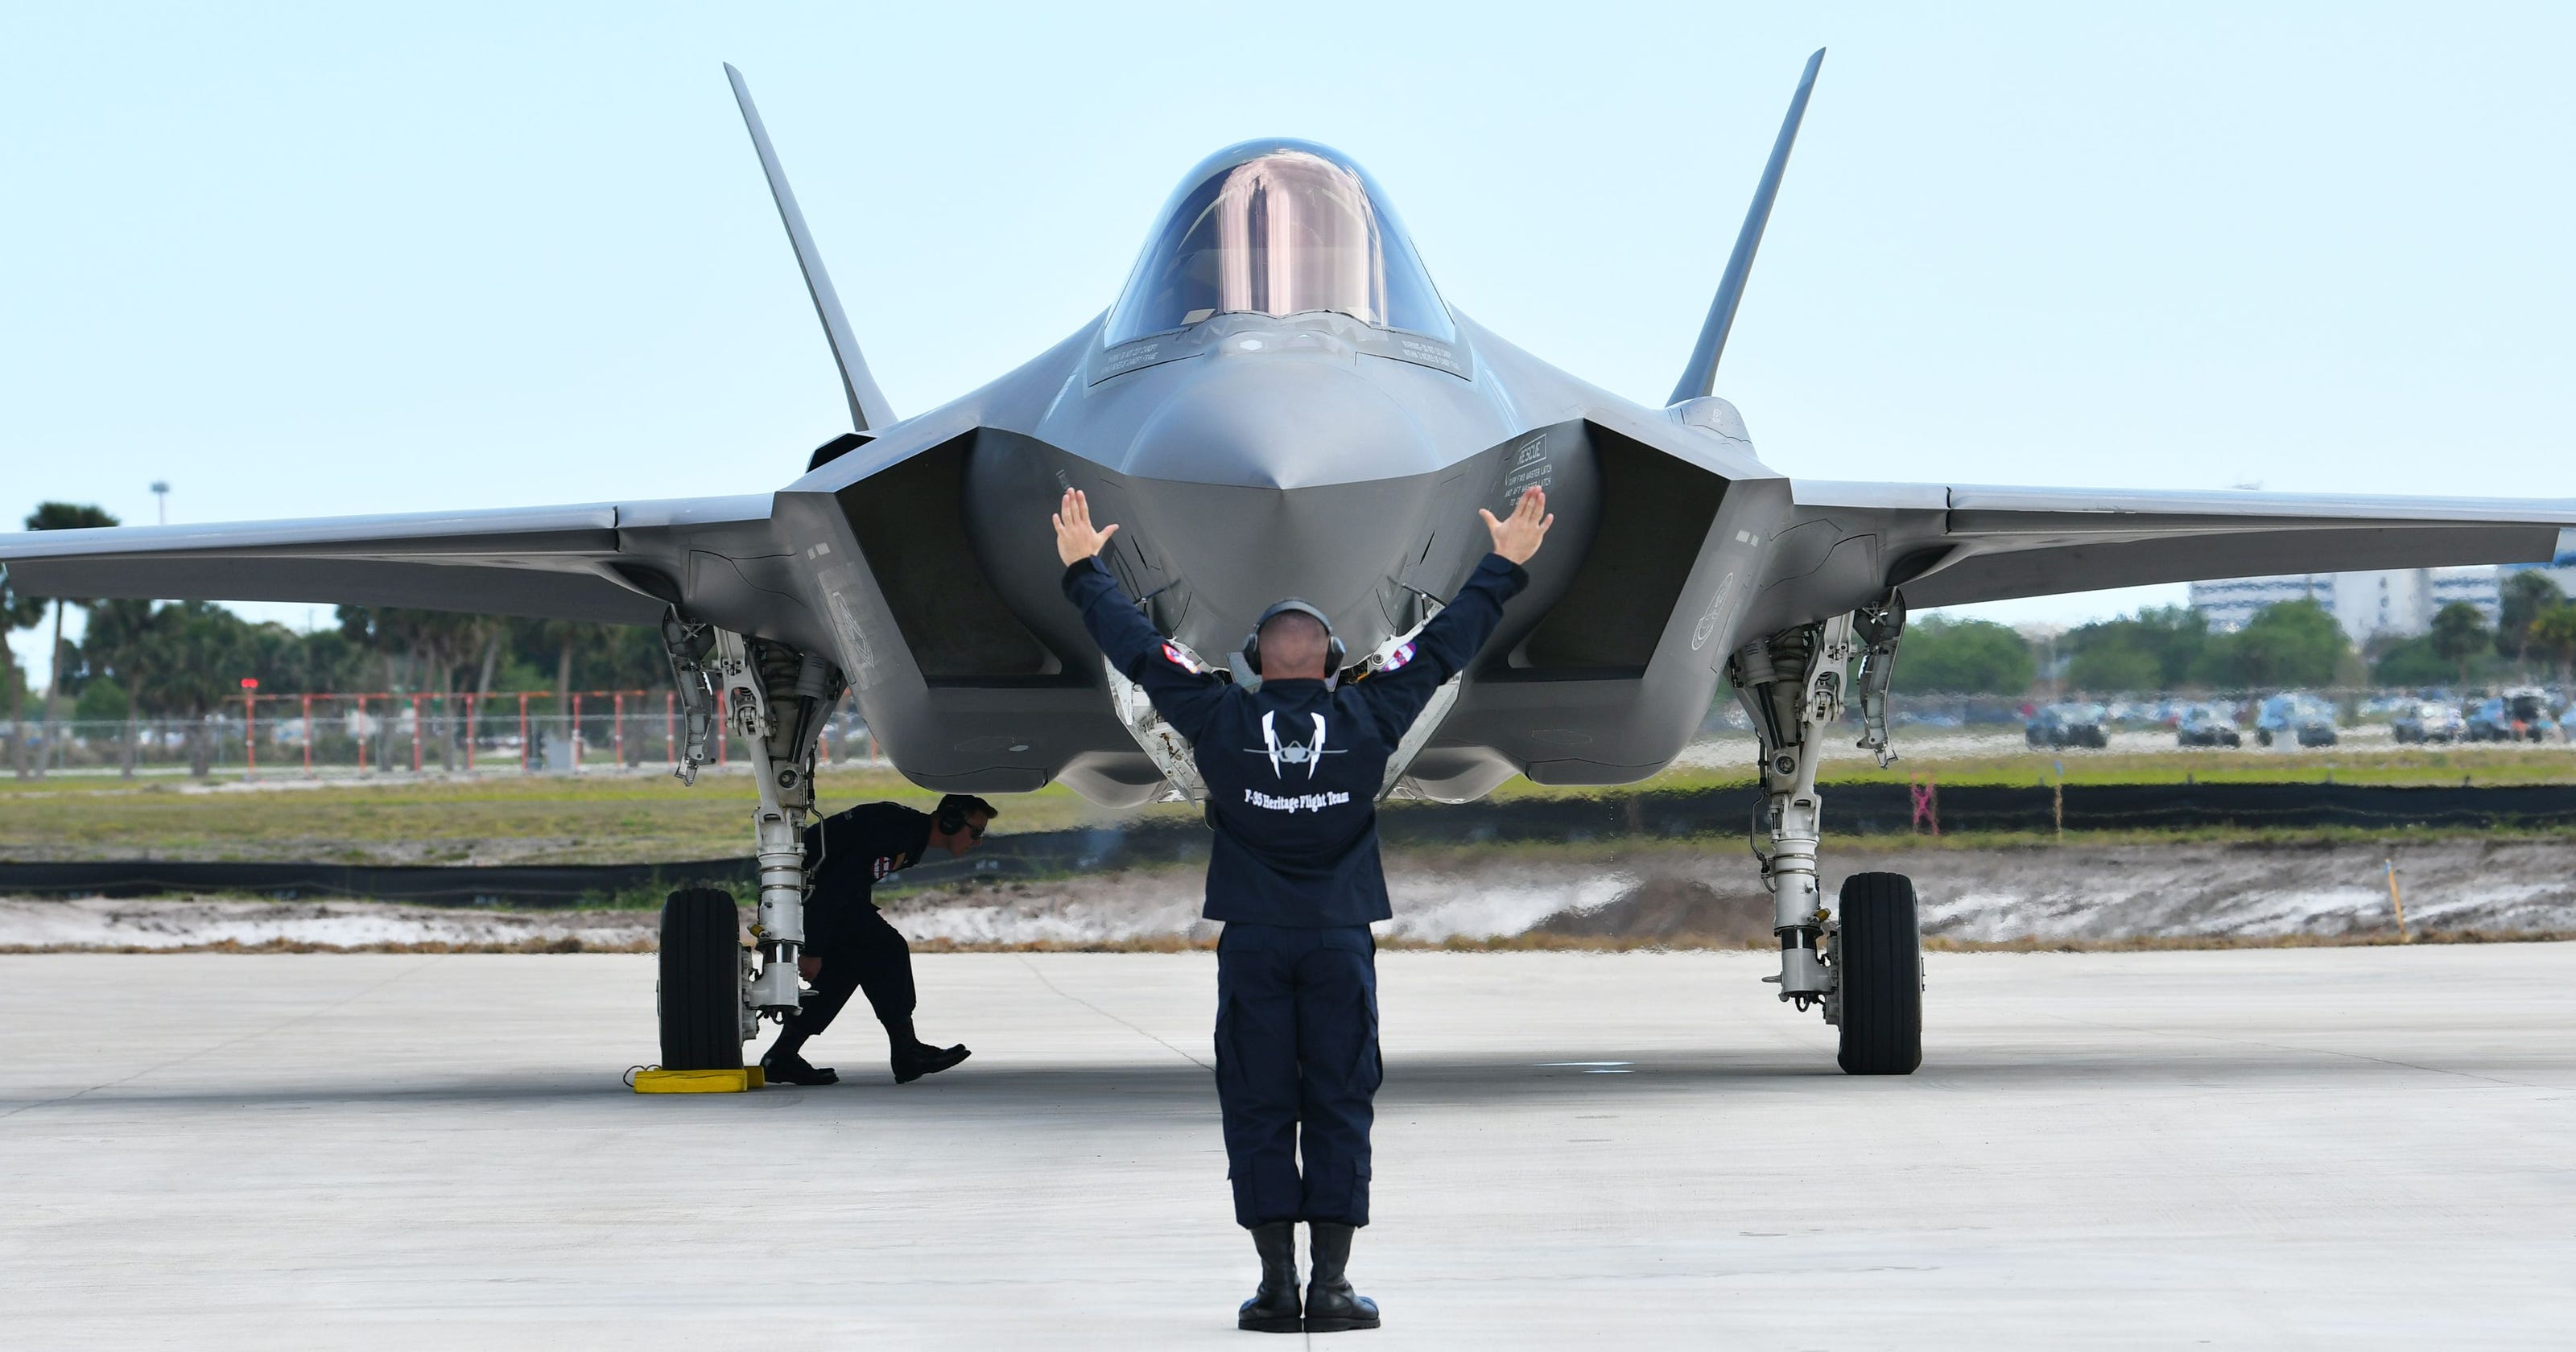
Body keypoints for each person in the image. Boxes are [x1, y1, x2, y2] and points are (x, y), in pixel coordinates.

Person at [1052, 484, 1551, 1334]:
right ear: (1333, 661)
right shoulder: (1371, 710)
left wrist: (1083, 571)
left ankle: (1275, 1288)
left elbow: (1139, 652)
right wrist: (1503, 562)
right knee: (1338, 1102)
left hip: (1252, 944)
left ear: (1252, 659)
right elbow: (1443, 648)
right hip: (1336, 943)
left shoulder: (1215, 714)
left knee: (1257, 1104)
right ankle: (1332, 1287)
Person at [756, 793, 995, 1086]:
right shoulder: (898, 833)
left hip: (814, 897)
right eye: (976, 832)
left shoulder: (908, 834)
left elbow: (850, 880)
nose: (978, 842)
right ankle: (906, 1051)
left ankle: (782, 1055)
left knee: (849, 963)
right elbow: (834, 885)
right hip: (801, 897)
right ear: (950, 822)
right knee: (887, 949)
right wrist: (813, 950)